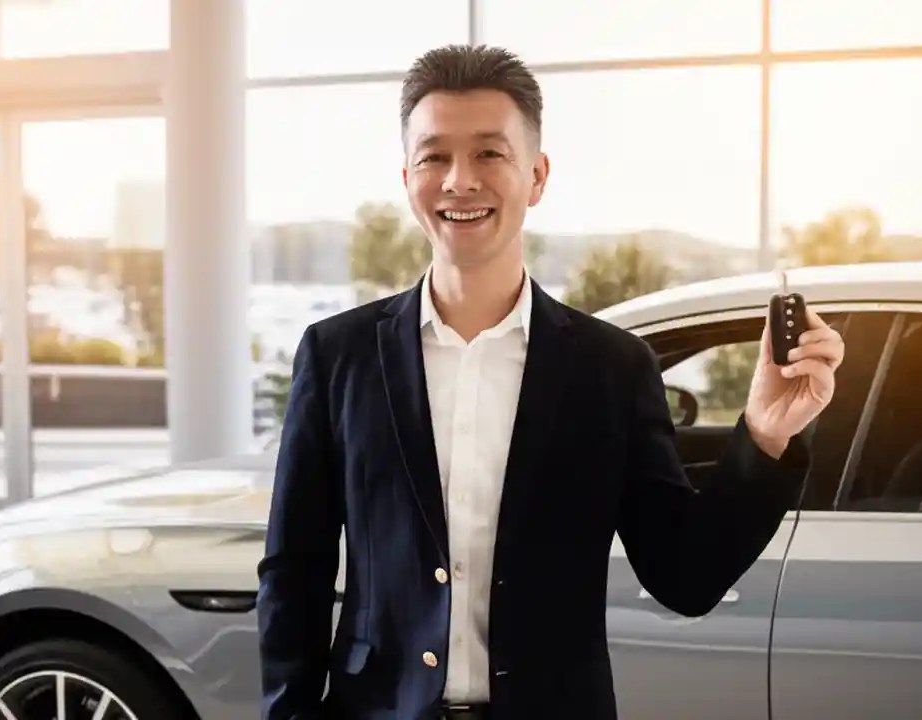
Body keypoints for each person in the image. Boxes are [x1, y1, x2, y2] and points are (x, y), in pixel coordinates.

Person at [257, 44, 845, 720]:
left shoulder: (611, 368)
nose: (459, 181)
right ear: (407, 177)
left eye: (489, 154)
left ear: (536, 176)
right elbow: (293, 573)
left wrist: (765, 433)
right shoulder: (337, 356)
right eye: (434, 157)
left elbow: (686, 578)